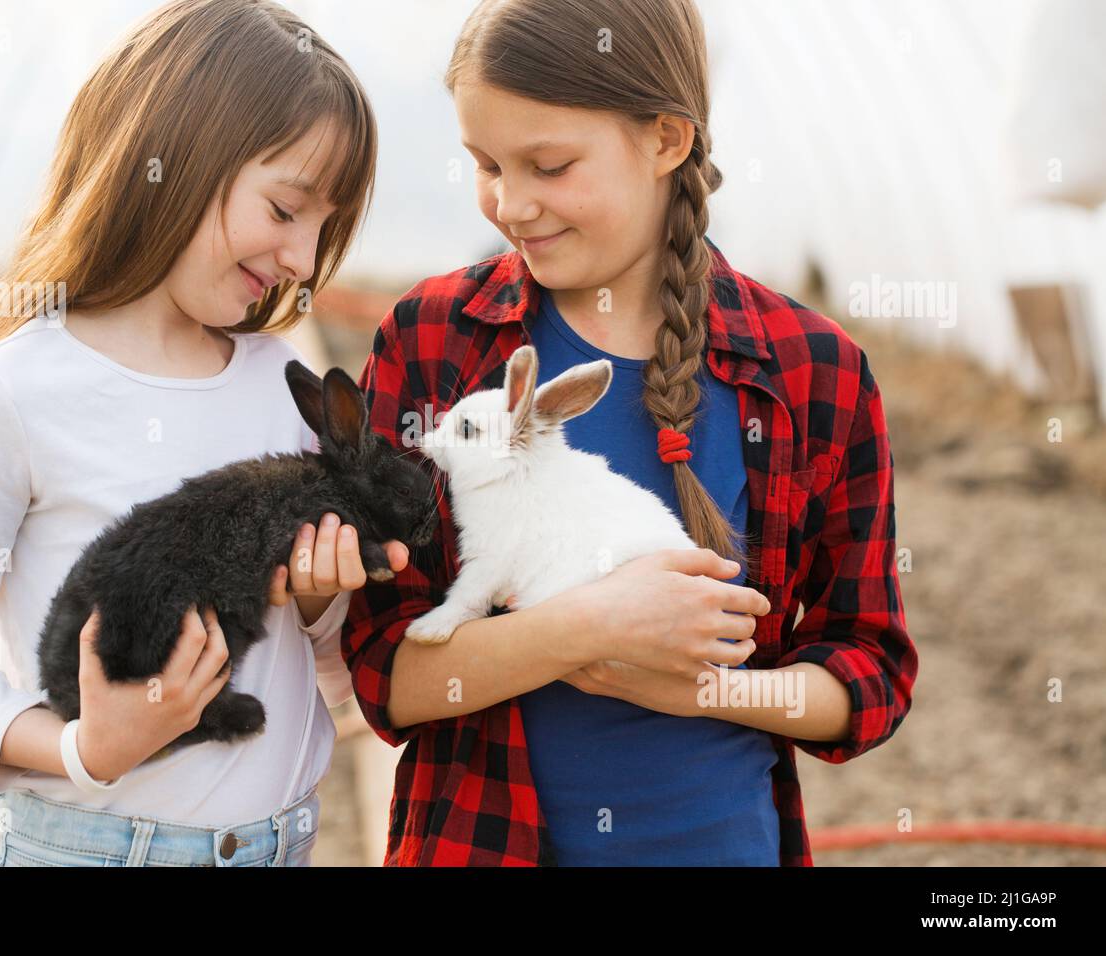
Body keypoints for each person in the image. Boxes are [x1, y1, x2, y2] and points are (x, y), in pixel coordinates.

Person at [342, 0, 918, 866]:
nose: (511, 203)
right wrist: (590, 627)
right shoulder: (434, 339)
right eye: (486, 164)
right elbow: (388, 674)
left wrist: (712, 692)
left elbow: (869, 674)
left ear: (666, 141)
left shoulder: (814, 371)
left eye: (549, 164)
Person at [0, 0, 405, 867]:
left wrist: (319, 602)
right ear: (176, 160)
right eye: (285, 210)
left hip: (283, 844)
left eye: (324, 229)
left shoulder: (282, 383)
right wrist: (87, 749)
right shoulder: (14, 390)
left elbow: (329, 674)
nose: (305, 260)